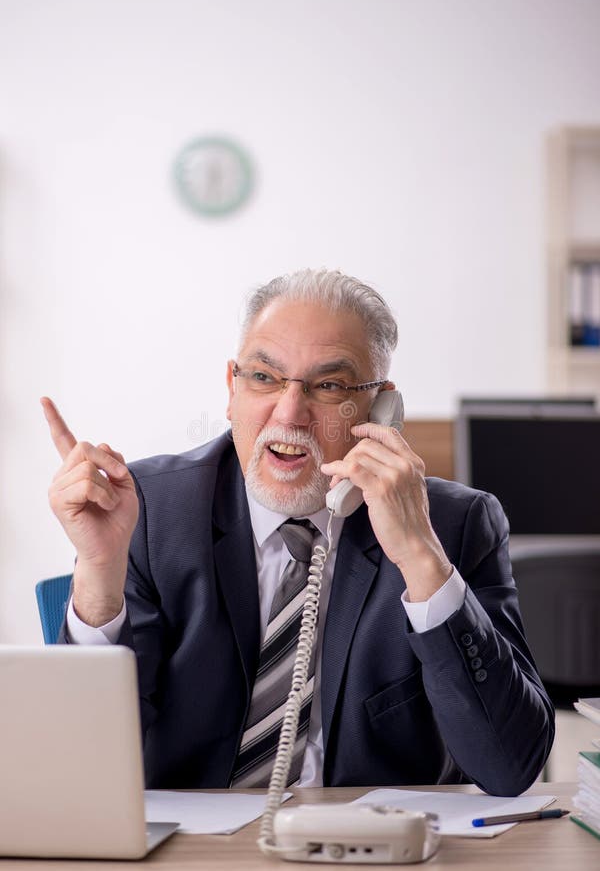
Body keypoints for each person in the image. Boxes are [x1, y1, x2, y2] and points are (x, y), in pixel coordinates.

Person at [42, 268, 554, 795]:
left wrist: (422, 559)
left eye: (329, 386)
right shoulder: (150, 509)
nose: (289, 414)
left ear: (382, 409)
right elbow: (80, 770)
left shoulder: (454, 525)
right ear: (231, 388)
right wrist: (99, 577)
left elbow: (509, 767)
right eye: (263, 378)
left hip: (369, 849)